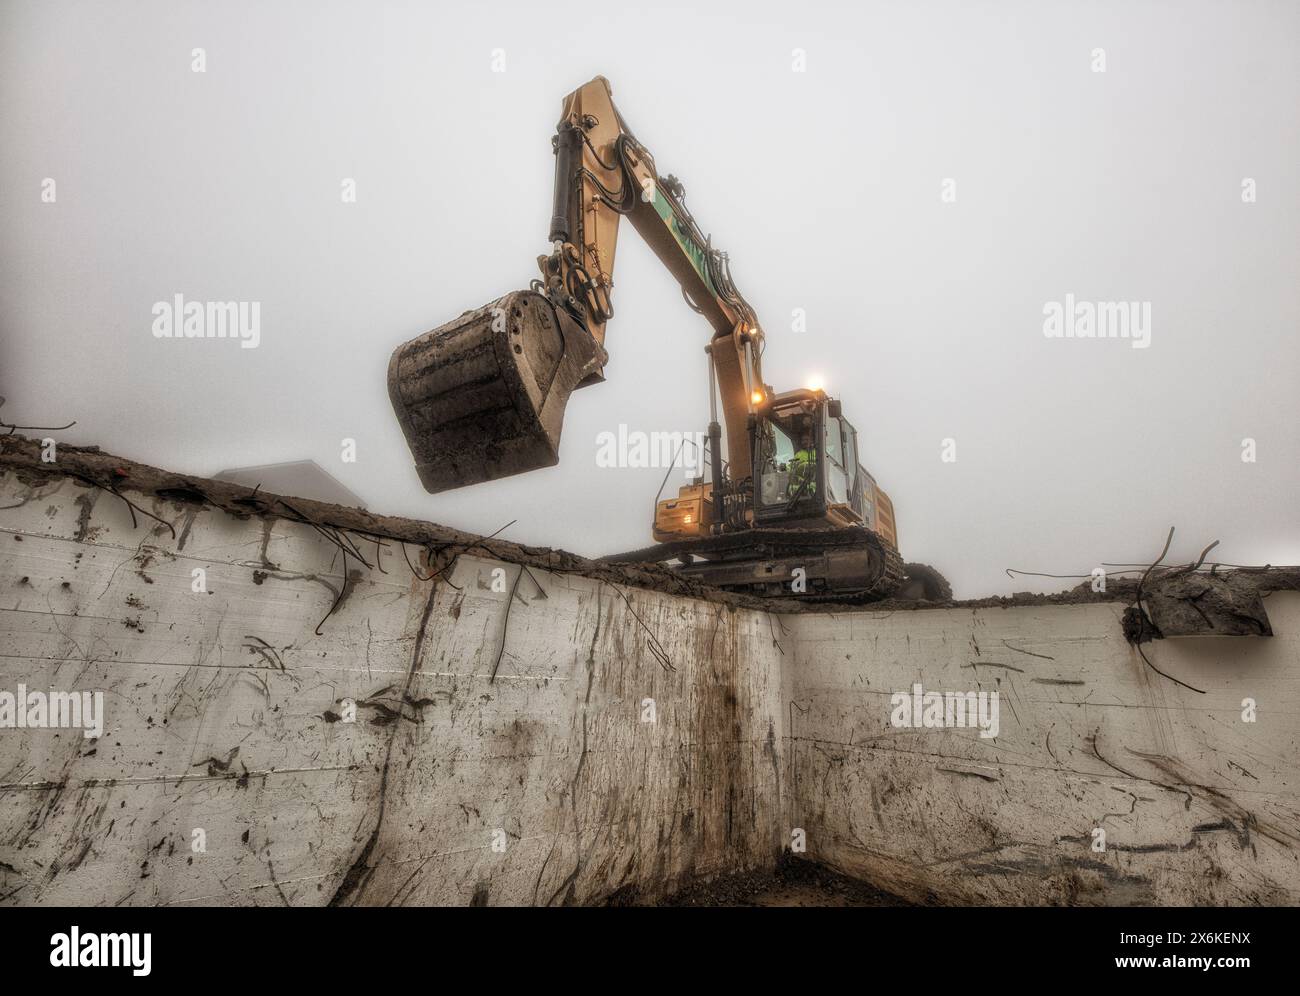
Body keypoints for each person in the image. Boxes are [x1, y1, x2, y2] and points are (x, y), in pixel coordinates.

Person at [788, 429, 817, 498]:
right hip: (801, 485)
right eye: (803, 440)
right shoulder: (799, 454)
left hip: (815, 485)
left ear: (812, 441)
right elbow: (790, 468)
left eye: (807, 439)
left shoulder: (817, 453)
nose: (804, 442)